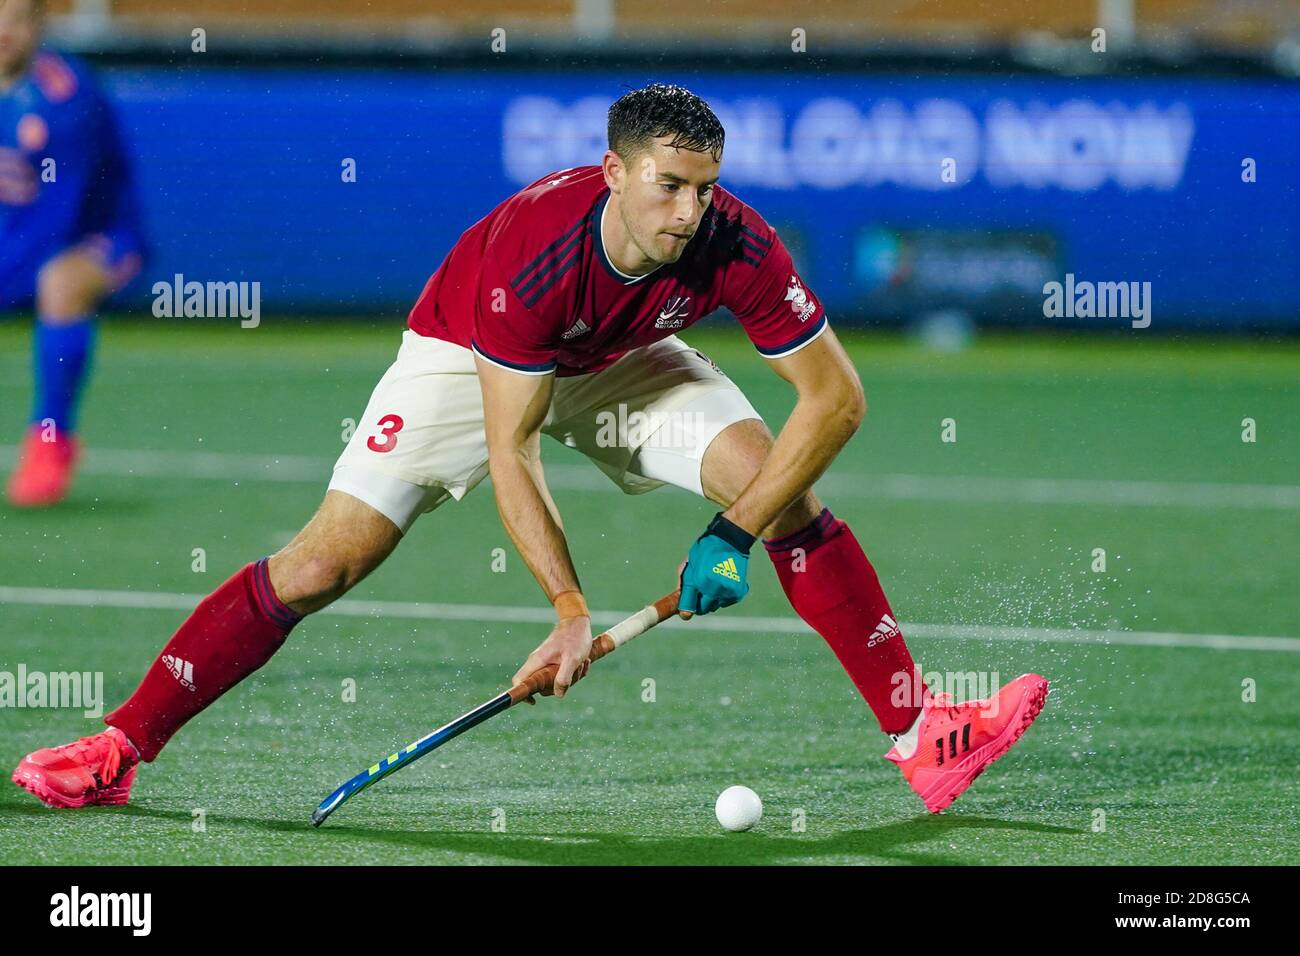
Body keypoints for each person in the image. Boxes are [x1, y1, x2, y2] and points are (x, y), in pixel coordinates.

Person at [12, 83, 1046, 815]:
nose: (689, 211)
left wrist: (732, 527)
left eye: (703, 187)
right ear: (613, 172)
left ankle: (920, 737)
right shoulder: (534, 255)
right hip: (470, 359)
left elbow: (837, 399)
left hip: (629, 356)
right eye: (667, 186)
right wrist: (565, 609)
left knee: (776, 488)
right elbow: (513, 448)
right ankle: (121, 745)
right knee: (325, 559)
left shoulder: (733, 238)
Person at [1, 0, 147, 507]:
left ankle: (50, 439)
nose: (2, 30)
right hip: (13, 240)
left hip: (98, 238)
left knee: (59, 282)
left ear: (38, 26)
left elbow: (57, 227)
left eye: (15, 18)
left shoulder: (66, 99)